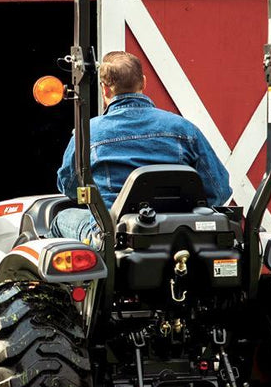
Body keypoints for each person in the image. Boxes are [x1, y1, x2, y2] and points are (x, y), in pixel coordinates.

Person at [50, 51, 233, 248]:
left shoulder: (88, 133)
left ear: (104, 89)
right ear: (144, 82)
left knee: (60, 218)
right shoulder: (184, 129)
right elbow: (219, 189)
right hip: (178, 234)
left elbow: (70, 187)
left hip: (114, 235)